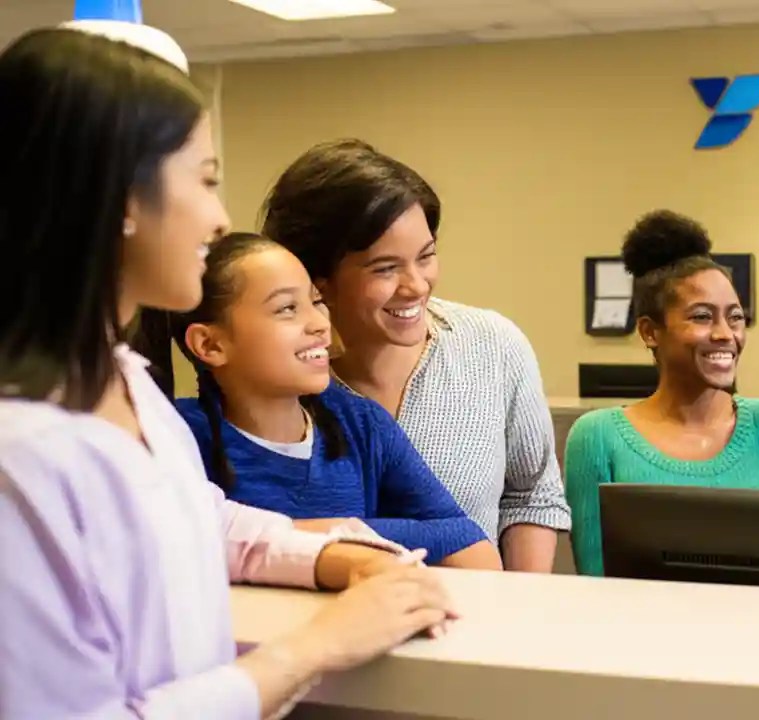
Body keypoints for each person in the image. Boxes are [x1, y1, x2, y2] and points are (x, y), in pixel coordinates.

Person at [0, 29, 458, 718]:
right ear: (121, 197)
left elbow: (201, 521)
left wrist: (337, 556)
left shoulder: (124, 385)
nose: (219, 219)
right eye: (206, 180)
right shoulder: (24, 452)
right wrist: (313, 648)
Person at [261, 140, 570, 572]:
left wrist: (520, 611)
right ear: (317, 277)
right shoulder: (275, 377)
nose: (417, 286)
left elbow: (531, 494)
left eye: (426, 257)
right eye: (385, 269)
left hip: (475, 622)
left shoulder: (493, 345)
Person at [148, 232, 502, 570]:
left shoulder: (362, 425)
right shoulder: (175, 439)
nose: (319, 323)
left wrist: (342, 529)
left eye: (316, 301)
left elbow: (470, 545)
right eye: (287, 308)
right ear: (210, 345)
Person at [563, 210, 759, 576]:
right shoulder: (597, 437)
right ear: (650, 332)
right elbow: (596, 578)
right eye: (702, 317)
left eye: (734, 317)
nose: (725, 334)